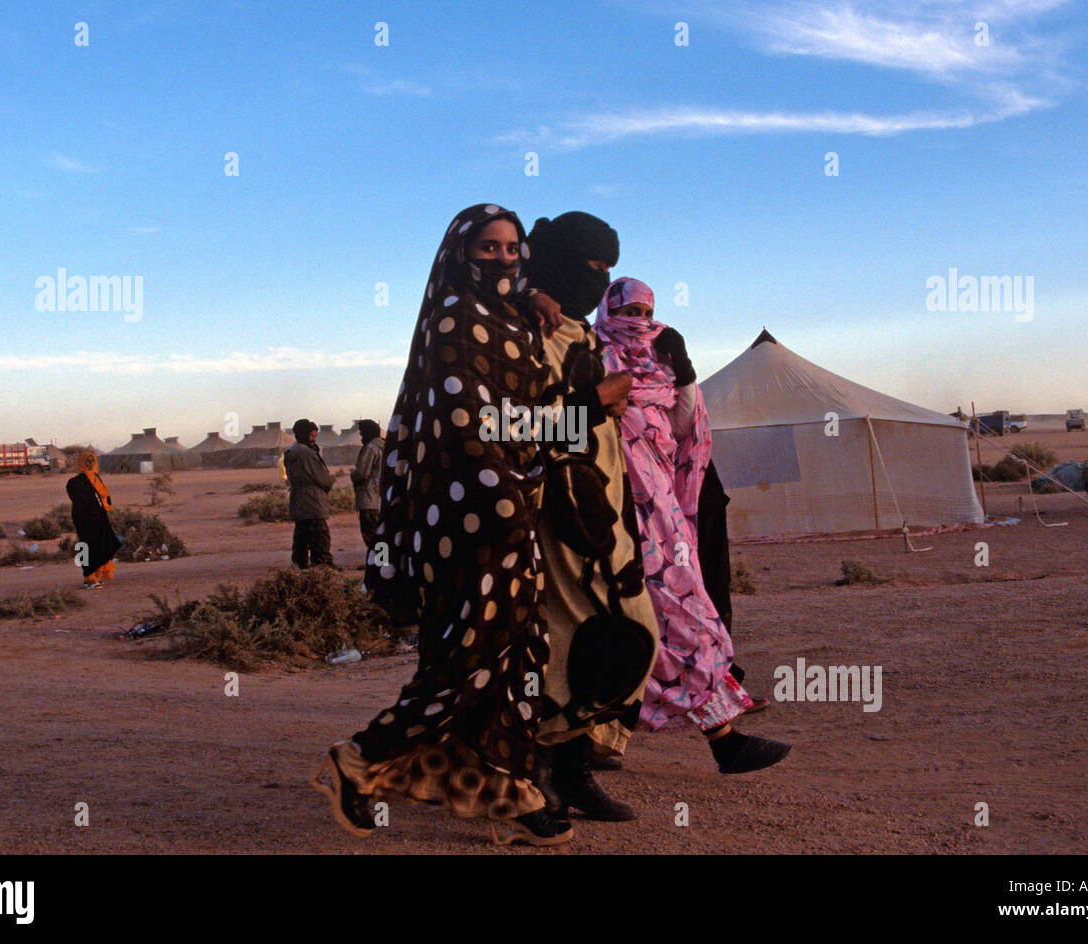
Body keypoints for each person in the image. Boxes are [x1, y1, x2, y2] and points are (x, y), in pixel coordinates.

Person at [313, 204, 586, 847]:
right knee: (471, 654)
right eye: (488, 249)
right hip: (477, 516)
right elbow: (478, 427)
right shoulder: (455, 321)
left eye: (513, 248)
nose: (503, 259)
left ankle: (507, 794)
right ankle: (356, 760)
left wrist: (534, 295)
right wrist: (582, 412)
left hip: (513, 506)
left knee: (517, 656)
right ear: (461, 254)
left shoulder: (506, 314)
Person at [595, 278, 790, 773]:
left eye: (645, 309)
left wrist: (683, 377)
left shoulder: (662, 363)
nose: (637, 319)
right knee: (660, 617)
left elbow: (683, 431)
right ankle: (720, 738)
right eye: (628, 309)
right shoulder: (590, 356)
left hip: (662, 504)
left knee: (675, 612)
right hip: (612, 505)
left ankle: (600, 744)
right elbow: (571, 422)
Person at [521, 211, 658, 824]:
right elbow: (507, 430)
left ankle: (572, 769)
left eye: (606, 270)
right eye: (589, 267)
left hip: (602, 510)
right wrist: (589, 402)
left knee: (631, 633)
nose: (597, 279)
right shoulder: (519, 329)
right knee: (563, 648)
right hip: (553, 515)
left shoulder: (580, 333)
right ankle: (550, 775)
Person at [65, 450, 121, 589]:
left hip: (100, 518)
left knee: (103, 545)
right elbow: (79, 500)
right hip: (85, 520)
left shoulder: (96, 478)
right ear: (82, 463)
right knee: (87, 547)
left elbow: (103, 499)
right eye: (87, 461)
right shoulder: (75, 481)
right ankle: (89, 578)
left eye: (92, 461)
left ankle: (95, 576)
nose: (90, 464)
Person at [283, 419, 335, 568]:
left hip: (298, 500)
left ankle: (300, 568)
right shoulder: (305, 452)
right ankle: (323, 566)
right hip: (312, 501)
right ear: (303, 434)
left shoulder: (291, 450)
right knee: (320, 536)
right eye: (311, 435)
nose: (314, 439)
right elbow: (322, 478)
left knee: (301, 538)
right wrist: (329, 481)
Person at [350, 419, 384, 550]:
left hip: (369, 499)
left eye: (362, 433)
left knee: (371, 535)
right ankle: (382, 563)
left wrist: (352, 474)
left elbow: (362, 473)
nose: (361, 437)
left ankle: (378, 563)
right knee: (381, 534)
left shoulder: (370, 448)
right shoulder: (385, 445)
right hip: (382, 499)